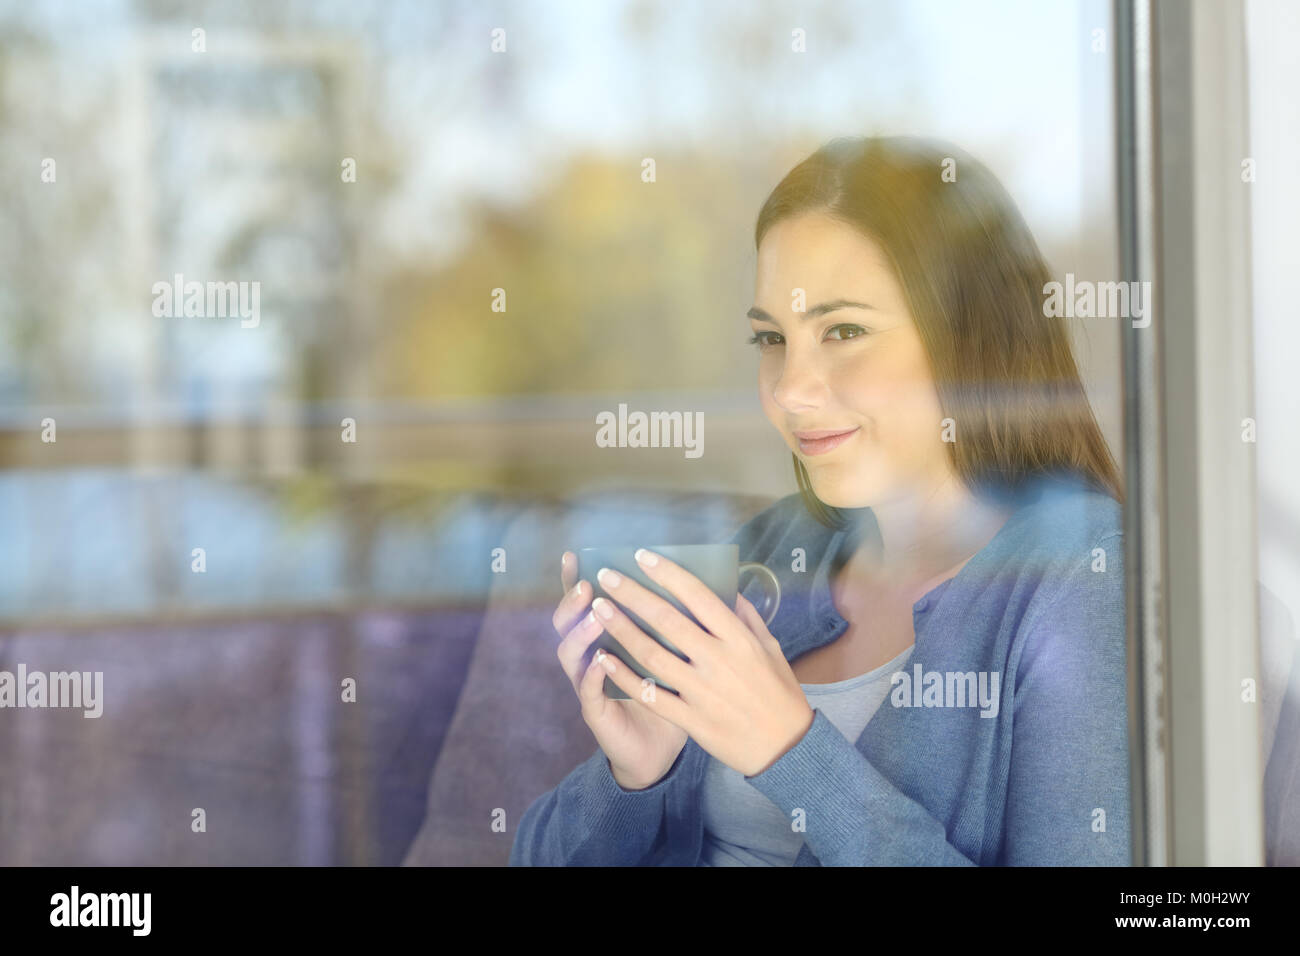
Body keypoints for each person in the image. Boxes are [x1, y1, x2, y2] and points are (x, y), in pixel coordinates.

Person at [510, 135, 1129, 866]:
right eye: (770, 338)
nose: (790, 390)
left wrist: (789, 753)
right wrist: (634, 779)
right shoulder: (779, 547)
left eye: (843, 331)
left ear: (968, 336)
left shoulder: (1081, 582)